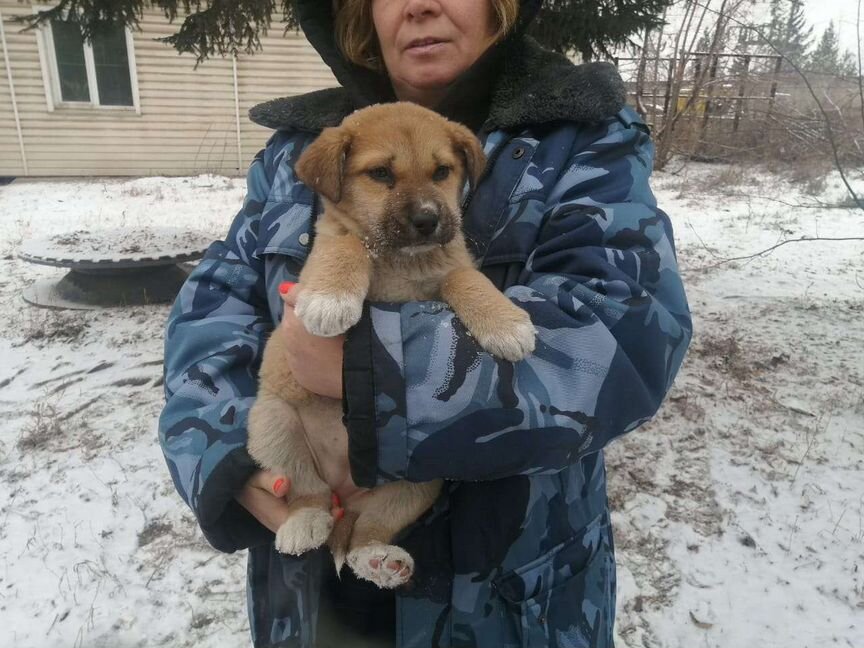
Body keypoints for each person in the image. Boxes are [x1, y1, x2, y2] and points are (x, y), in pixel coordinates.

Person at [158, 0, 693, 646]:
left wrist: (369, 372)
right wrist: (233, 459)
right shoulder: (300, 152)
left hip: (507, 608)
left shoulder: (581, 140)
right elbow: (211, 312)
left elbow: (623, 337)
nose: (421, 6)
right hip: (310, 605)